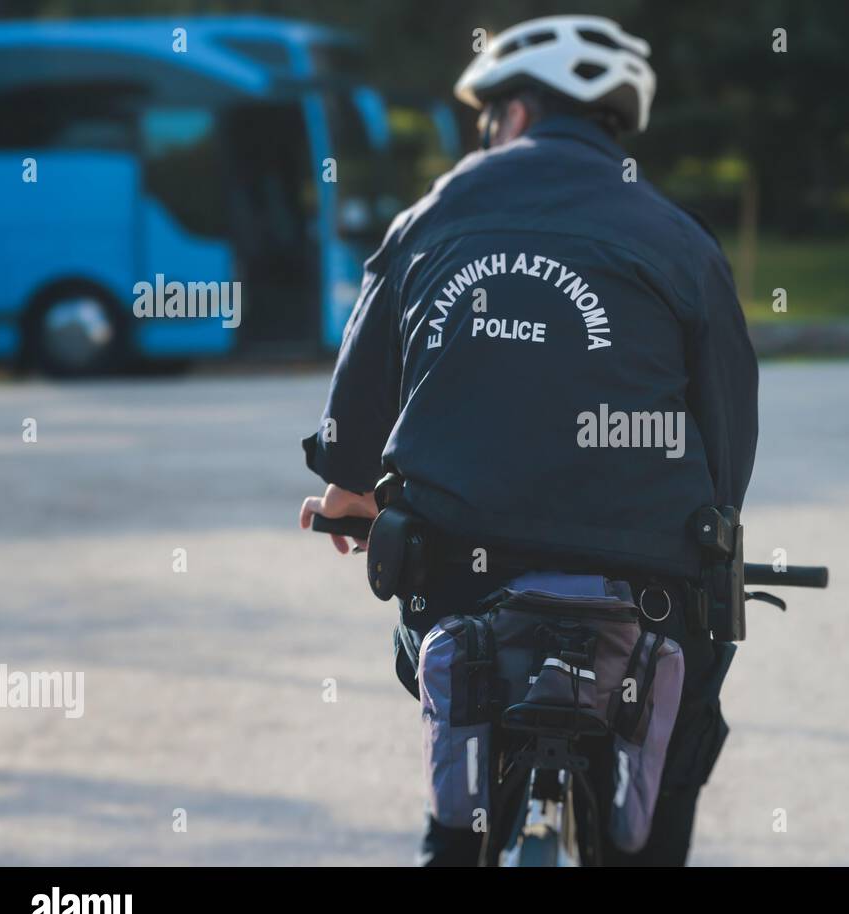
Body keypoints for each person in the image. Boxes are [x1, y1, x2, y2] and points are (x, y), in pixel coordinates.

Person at [299, 14, 758, 865]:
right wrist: (713, 524)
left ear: (510, 115)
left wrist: (349, 495)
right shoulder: (681, 240)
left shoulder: (433, 216)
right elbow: (729, 440)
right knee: (680, 726)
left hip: (459, 571)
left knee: (455, 726)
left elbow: (354, 411)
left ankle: (455, 835)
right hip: (646, 584)